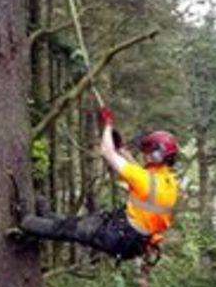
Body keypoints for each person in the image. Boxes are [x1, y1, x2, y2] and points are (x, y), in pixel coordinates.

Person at [17, 108, 179, 260]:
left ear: (156, 155)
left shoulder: (144, 179)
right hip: (132, 240)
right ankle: (45, 218)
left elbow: (106, 152)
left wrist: (107, 125)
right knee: (75, 222)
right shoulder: (169, 183)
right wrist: (122, 151)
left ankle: (27, 222)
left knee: (69, 230)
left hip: (119, 234)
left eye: (148, 152)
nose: (145, 155)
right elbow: (141, 173)